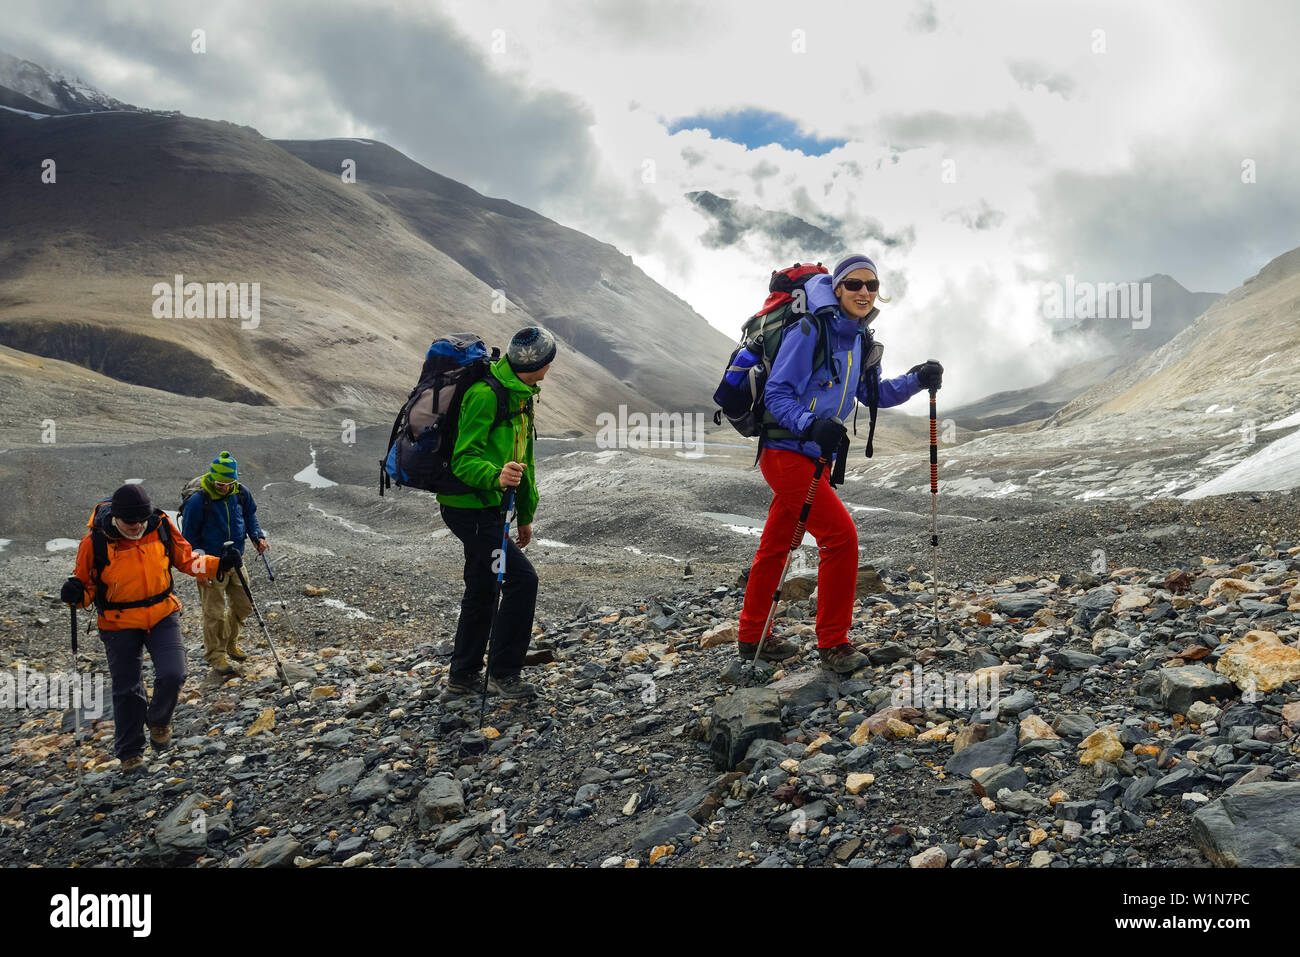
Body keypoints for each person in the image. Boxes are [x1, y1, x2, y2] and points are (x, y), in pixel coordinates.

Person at [737, 253, 943, 674]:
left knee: (777, 545)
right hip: (785, 452)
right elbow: (777, 393)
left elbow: (873, 393)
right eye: (854, 284)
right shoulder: (810, 330)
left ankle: (751, 635)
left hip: (815, 457)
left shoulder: (862, 339)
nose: (864, 292)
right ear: (837, 288)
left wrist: (917, 380)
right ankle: (833, 642)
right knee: (841, 539)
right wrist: (810, 424)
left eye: (871, 284)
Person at [60, 484, 238, 773]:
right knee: (127, 689)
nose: (137, 527)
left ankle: (158, 720)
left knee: (174, 673)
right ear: (116, 517)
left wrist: (219, 564)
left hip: (162, 613)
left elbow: (187, 560)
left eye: (141, 520)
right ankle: (130, 753)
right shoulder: (95, 542)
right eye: (130, 522)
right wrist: (75, 594)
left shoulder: (161, 526)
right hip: (118, 623)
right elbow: (86, 589)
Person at [436, 326, 554, 701]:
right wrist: (496, 476)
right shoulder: (486, 395)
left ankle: (463, 676)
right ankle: (504, 673)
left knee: (483, 587)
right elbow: (462, 460)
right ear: (541, 365)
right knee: (522, 580)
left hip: (490, 507)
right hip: (470, 509)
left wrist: (525, 513)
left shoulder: (523, 397)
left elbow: (526, 461)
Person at [180, 451, 268, 674]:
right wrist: (198, 569)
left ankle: (230, 642)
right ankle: (216, 655)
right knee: (215, 613)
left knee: (244, 605)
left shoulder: (241, 492)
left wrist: (257, 536)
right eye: (220, 484)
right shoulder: (198, 501)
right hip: (210, 564)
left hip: (236, 560)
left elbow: (250, 516)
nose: (225, 488)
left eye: (230, 483)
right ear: (212, 478)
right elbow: (189, 539)